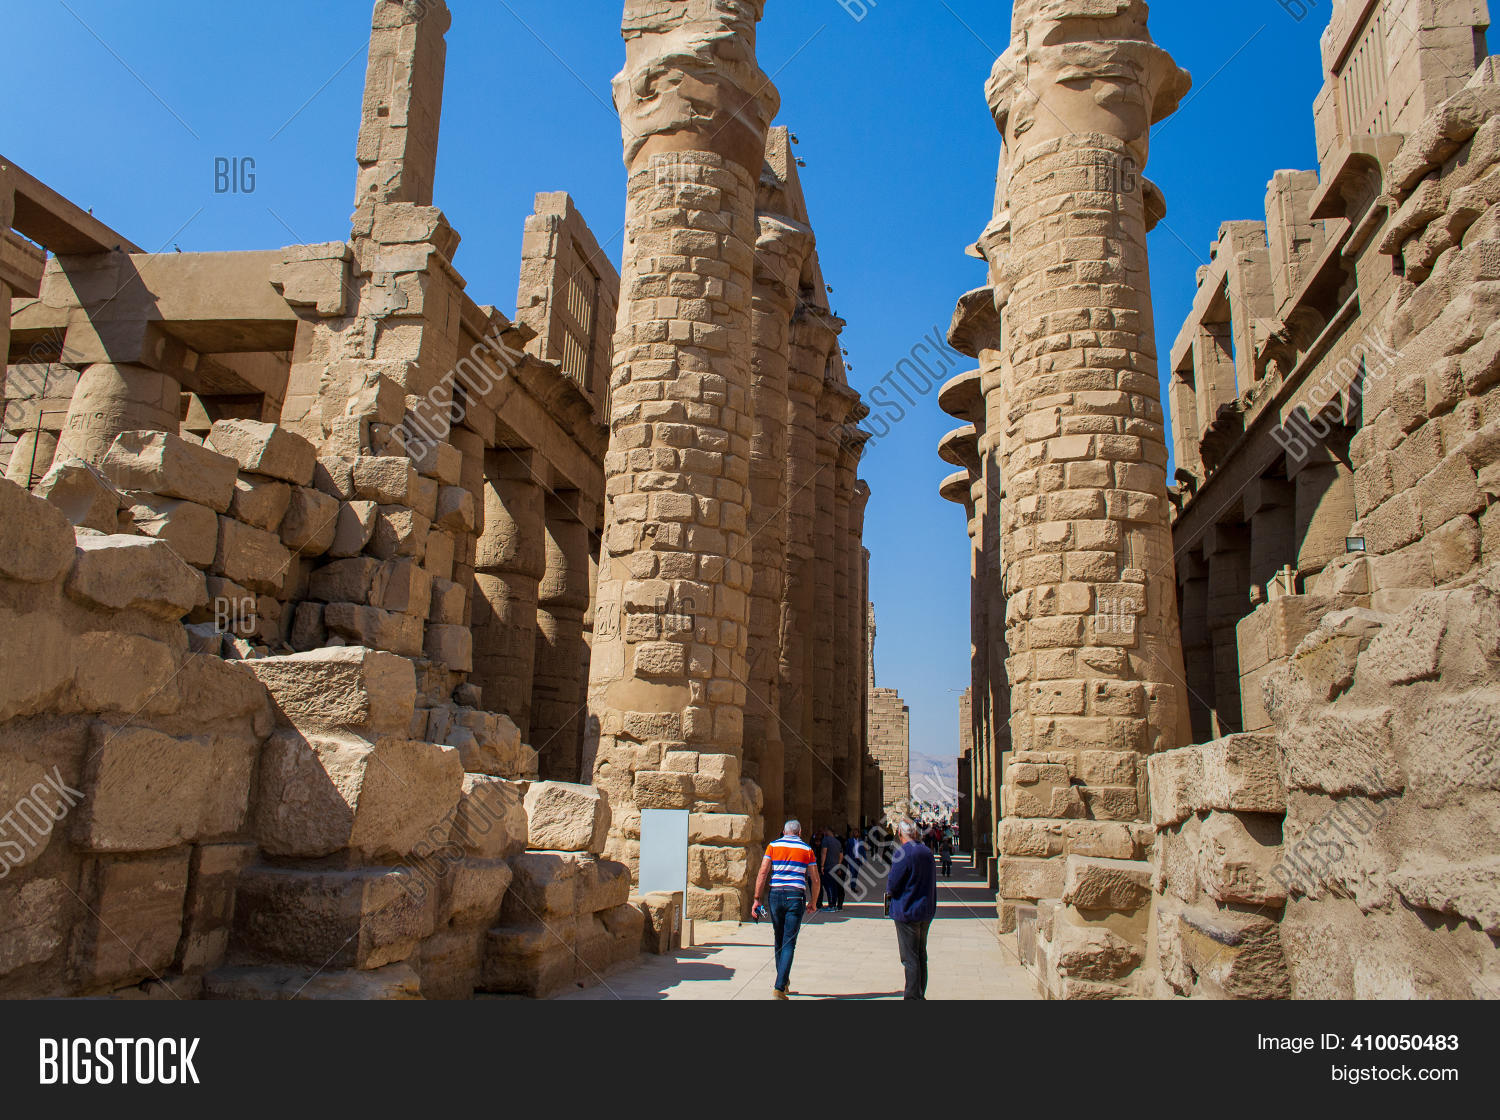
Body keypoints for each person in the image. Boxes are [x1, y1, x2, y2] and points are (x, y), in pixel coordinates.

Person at [752, 820, 820, 999]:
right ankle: (780, 987)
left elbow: (763, 872)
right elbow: (815, 879)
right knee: (789, 942)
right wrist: (813, 901)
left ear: (783, 831)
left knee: (779, 938)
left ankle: (782, 980)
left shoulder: (773, 846)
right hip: (795, 896)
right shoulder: (807, 849)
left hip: (775, 894)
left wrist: (757, 899)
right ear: (800, 832)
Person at [886, 818, 938, 1000]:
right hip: (925, 910)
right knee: (921, 955)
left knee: (909, 958)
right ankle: (920, 994)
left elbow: (893, 884)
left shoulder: (903, 853)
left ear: (900, 833)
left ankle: (912, 997)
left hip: (907, 910)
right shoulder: (927, 852)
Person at [819, 826, 845, 910]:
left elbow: (824, 852)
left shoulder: (825, 840)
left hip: (828, 866)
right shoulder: (838, 842)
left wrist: (822, 865)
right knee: (834, 886)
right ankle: (834, 904)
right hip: (835, 867)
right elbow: (841, 855)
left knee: (828, 886)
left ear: (827, 832)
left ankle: (831, 905)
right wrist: (839, 865)